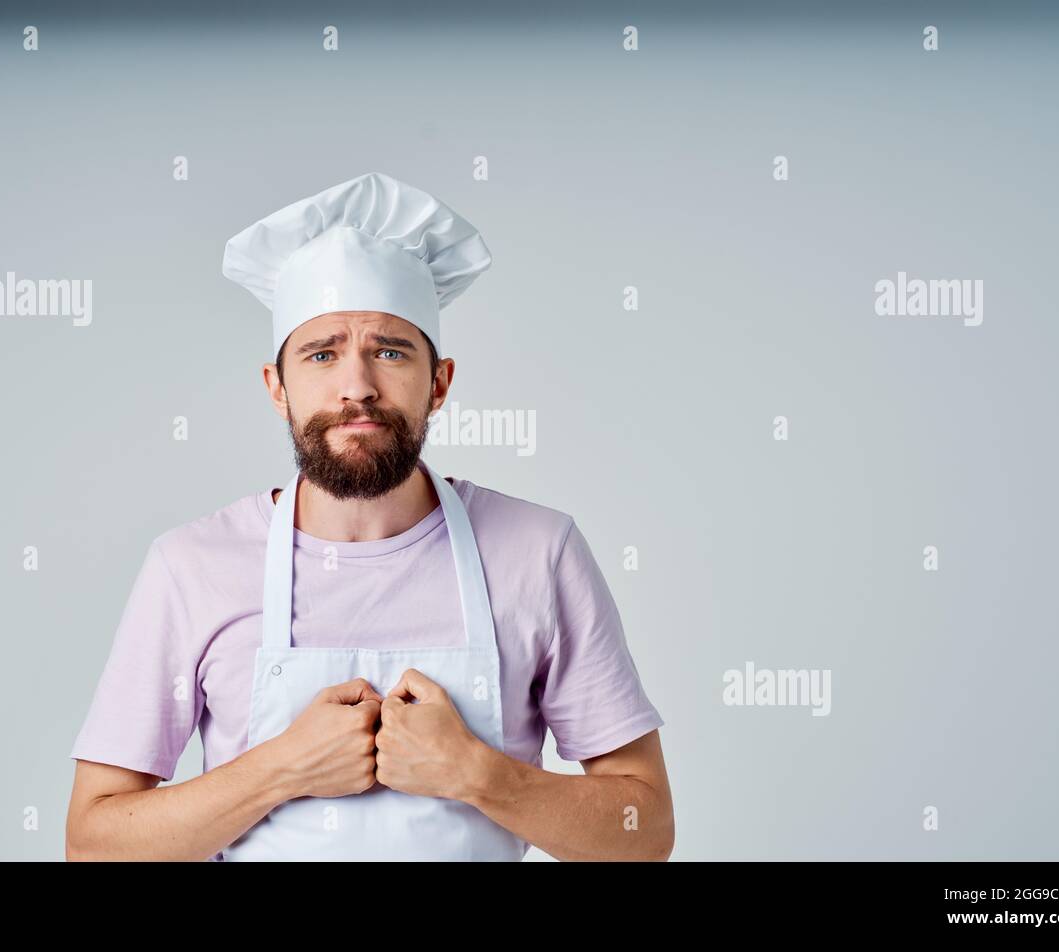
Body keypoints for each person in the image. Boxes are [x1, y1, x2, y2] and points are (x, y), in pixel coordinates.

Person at [65, 171, 672, 861]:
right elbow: (93, 846)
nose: (356, 385)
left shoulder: (539, 551)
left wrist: (479, 775)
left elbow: (645, 831)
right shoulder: (190, 567)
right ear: (277, 387)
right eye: (322, 354)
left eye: (389, 350)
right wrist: (282, 767)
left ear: (439, 382)